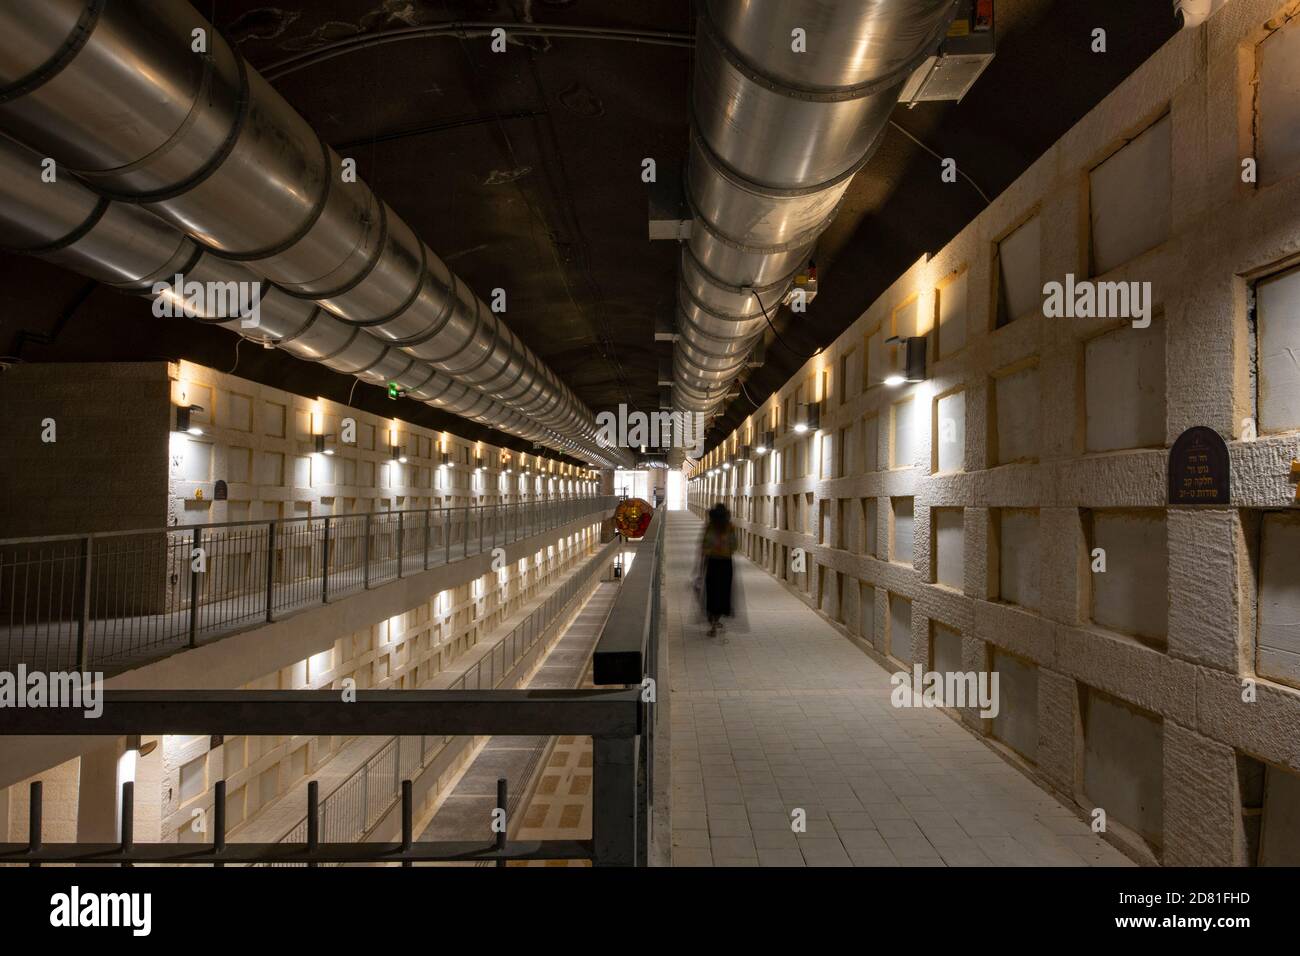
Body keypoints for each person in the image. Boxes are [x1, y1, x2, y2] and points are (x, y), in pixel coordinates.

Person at [697, 503, 738, 639]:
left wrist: (700, 569)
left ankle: (713, 623)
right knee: (723, 593)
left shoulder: (710, 527)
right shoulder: (730, 527)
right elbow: (734, 546)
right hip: (726, 564)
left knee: (712, 593)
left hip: (712, 563)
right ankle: (716, 620)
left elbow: (704, 547)